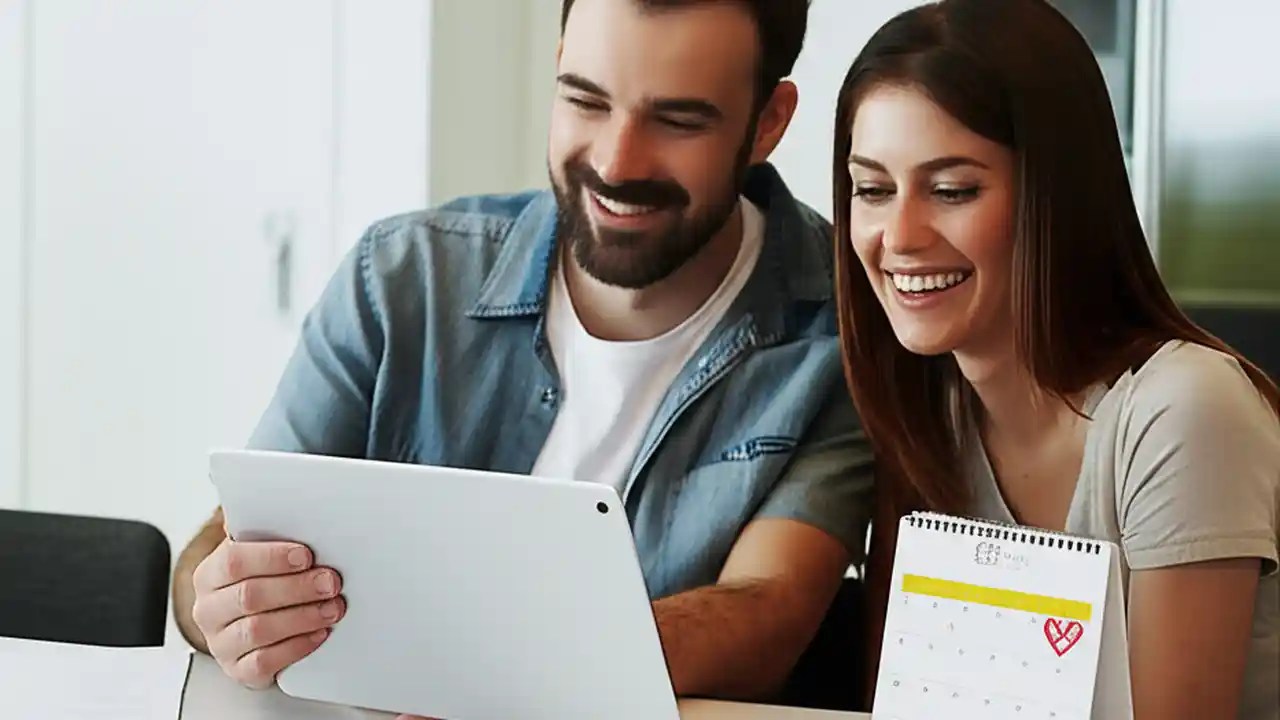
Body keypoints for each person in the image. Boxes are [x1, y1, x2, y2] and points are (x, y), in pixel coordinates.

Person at [171, 0, 875, 709]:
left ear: (769, 123)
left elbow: (767, 613)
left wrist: (484, 672)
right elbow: (222, 545)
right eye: (585, 100)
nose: (615, 161)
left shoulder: (847, 337)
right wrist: (223, 603)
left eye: (678, 121)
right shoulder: (400, 276)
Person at [830, 1, 1280, 718]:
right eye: (873, 190)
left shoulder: (1183, 412)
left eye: (952, 191)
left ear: (1057, 195)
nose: (899, 236)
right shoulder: (923, 408)